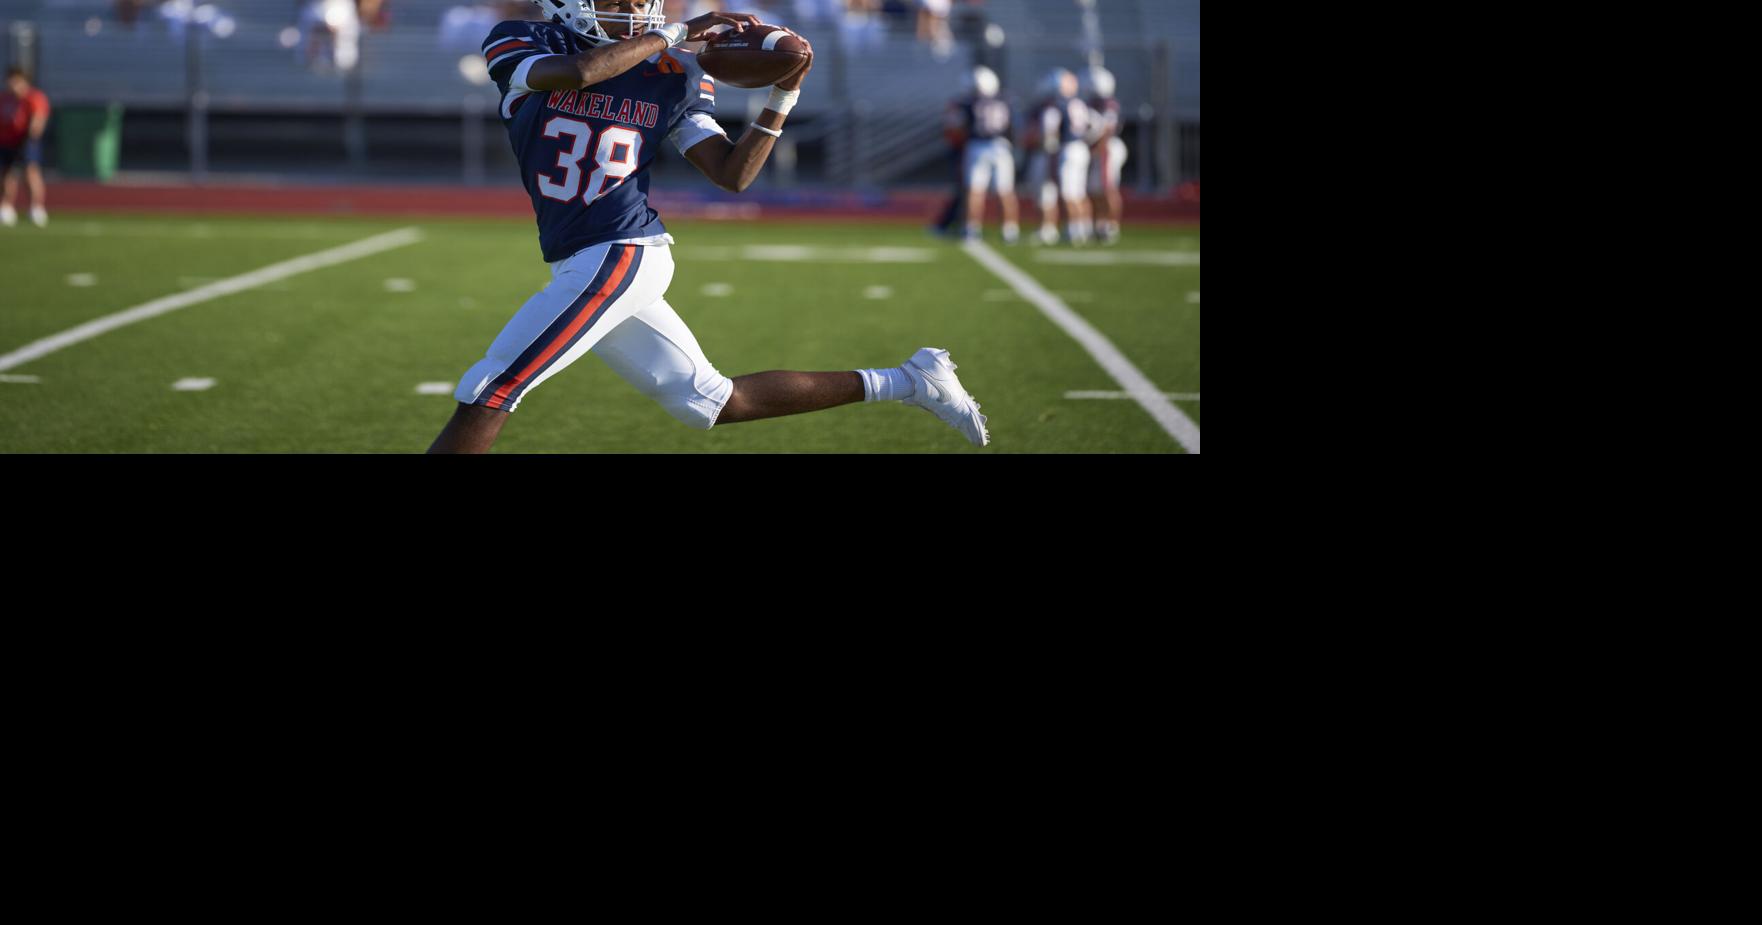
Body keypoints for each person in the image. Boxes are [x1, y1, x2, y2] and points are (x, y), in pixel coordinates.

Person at [428, 0, 990, 453]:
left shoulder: (673, 73)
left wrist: (783, 94)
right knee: (707, 401)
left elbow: (731, 172)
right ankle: (913, 380)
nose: (631, 6)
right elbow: (575, 73)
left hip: (619, 251)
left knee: (491, 387)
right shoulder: (525, 40)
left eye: (639, 0)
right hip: (586, 254)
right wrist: (676, 31)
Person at [950, 65, 1017, 243]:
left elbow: (956, 126)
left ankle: (971, 228)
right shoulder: (1005, 100)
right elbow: (1012, 127)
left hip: (977, 145)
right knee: (1005, 190)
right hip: (1001, 146)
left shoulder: (968, 103)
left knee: (974, 190)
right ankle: (1009, 229)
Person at [0, 67, 51, 229]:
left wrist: (30, 137)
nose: (12, 84)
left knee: (30, 172)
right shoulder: (4, 98)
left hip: (26, 141)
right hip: (6, 141)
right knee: (7, 174)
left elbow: (38, 120)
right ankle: (6, 206)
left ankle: (36, 207)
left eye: (16, 80)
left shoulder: (34, 98)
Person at [1081, 64, 1124, 245]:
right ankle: (1099, 224)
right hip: (1097, 149)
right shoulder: (1092, 103)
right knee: (1094, 189)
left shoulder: (1108, 104)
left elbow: (1106, 130)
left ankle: (1111, 225)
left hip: (1106, 148)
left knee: (1107, 188)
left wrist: (1096, 150)